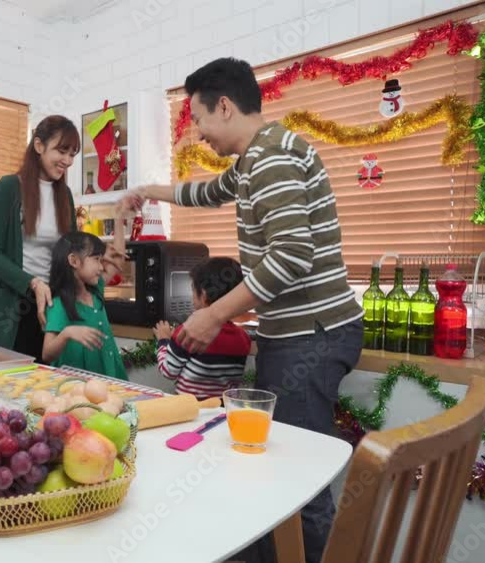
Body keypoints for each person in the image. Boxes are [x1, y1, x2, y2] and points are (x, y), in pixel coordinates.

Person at [123, 58, 363, 563]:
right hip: (301, 334)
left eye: (198, 118)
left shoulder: (272, 157)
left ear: (225, 106)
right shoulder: (257, 158)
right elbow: (207, 191)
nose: (197, 132)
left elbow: (291, 255)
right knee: (287, 467)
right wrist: (148, 191)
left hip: (310, 336)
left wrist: (213, 315)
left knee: (300, 478)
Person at [0, 116, 80, 362]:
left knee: (45, 390)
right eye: (61, 150)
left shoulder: (64, 195)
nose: (67, 160)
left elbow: (72, 252)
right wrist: (33, 283)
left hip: (51, 311)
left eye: (72, 154)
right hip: (12, 311)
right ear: (39, 146)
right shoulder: (10, 187)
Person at [42, 209, 128, 379]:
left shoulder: (95, 291)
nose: (101, 267)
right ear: (74, 260)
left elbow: (118, 260)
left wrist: (119, 218)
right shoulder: (59, 303)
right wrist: (67, 333)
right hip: (77, 387)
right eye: (96, 259)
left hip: (110, 378)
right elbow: (47, 353)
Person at [154, 257, 252, 401]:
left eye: (193, 290)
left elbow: (168, 371)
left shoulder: (189, 332)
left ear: (204, 295)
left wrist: (163, 341)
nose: (192, 295)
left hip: (191, 408)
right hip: (223, 409)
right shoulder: (243, 338)